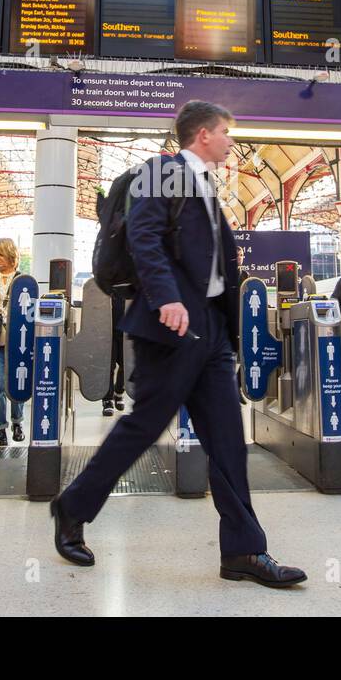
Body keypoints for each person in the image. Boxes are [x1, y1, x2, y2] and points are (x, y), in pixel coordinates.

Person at [51, 100, 305, 587]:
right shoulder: (160, 170)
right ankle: (73, 507)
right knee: (143, 427)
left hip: (209, 332)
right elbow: (144, 237)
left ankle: (244, 553)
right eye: (226, 133)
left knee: (229, 441)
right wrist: (166, 297)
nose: (232, 141)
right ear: (203, 134)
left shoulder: (207, 186)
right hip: (170, 329)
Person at [0, 238, 25, 445]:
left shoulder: (24, 279)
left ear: (11, 255)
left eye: (1, 254)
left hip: (18, 340)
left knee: (17, 382)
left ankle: (17, 422)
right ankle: (0, 429)